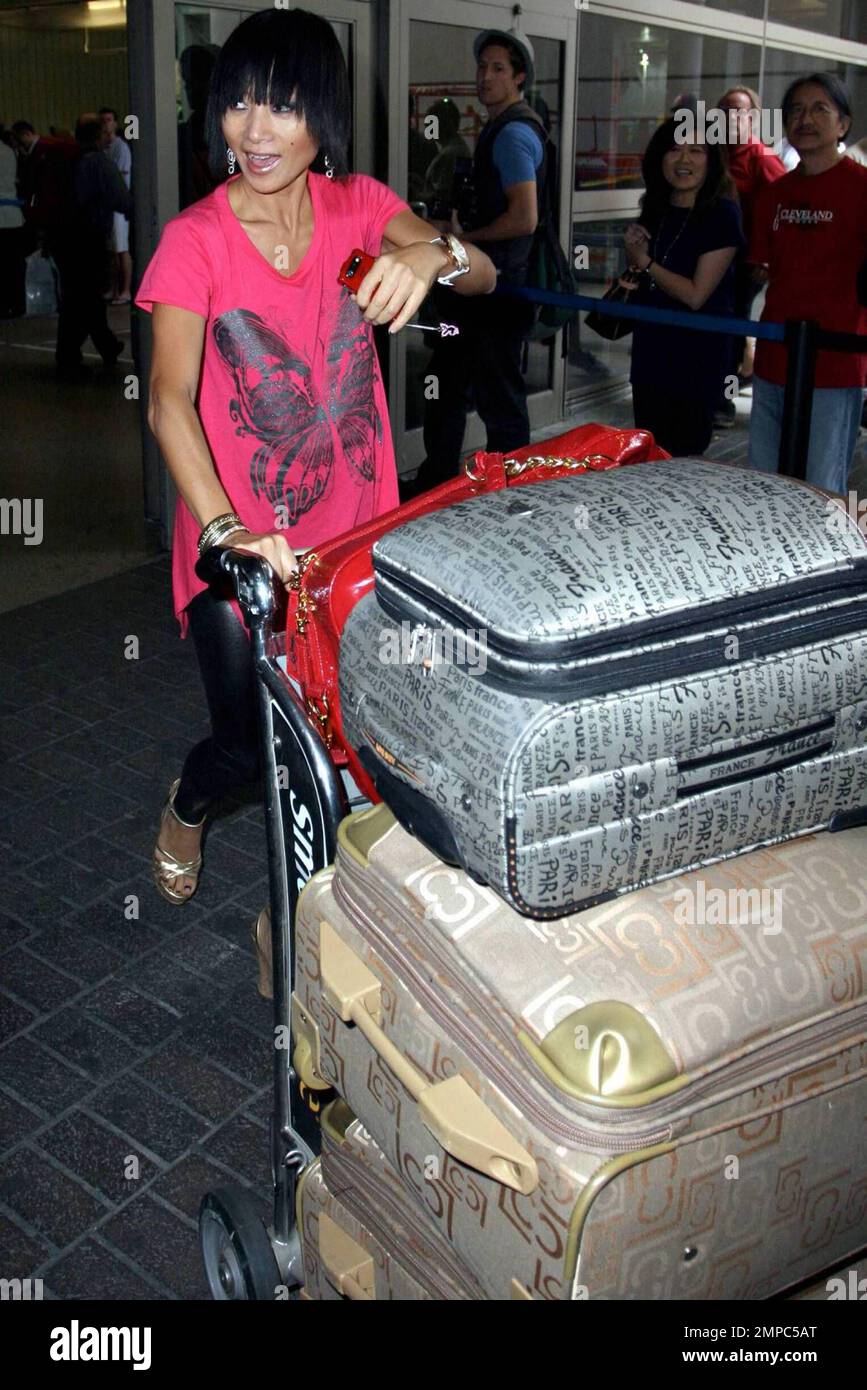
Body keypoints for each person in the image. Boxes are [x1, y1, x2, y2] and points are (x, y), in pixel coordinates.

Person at [135, 7, 494, 906]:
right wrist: (226, 530)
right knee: (250, 745)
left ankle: (300, 934)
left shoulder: (357, 212)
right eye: (238, 105)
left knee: (341, 740)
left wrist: (429, 257)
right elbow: (167, 399)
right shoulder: (197, 241)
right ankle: (189, 801)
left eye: (283, 108)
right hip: (240, 543)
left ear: (320, 115)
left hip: (351, 542)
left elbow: (477, 275)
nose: (254, 132)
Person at [410, 27, 544, 496]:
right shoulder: (502, 129)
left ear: (519, 77)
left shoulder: (511, 135)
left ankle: (510, 492)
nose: (484, 77)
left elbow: (524, 218)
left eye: (498, 68)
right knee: (457, 386)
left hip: (496, 291)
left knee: (494, 398)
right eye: (482, 67)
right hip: (487, 290)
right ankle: (446, 482)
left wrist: (463, 239)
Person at [747, 74, 867, 495]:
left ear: (843, 125)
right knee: (762, 480)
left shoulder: (862, 189)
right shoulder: (773, 194)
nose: (806, 118)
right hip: (774, 357)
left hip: (835, 365)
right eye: (796, 109)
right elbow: (763, 268)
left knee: (820, 486)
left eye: (821, 109)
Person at [623, 118, 744, 456]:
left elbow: (695, 294)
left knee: (684, 456)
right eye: (674, 149)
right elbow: (644, 276)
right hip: (650, 349)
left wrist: (644, 261)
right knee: (647, 450)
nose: (684, 160)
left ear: (712, 159)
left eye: (696, 151)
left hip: (696, 356)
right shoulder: (656, 207)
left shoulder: (722, 214)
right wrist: (634, 256)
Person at [716, 86, 786, 409]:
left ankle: (725, 401)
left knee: (732, 328)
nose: (732, 118)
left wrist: (767, 258)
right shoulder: (714, 154)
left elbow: (783, 209)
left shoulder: (762, 158)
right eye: (726, 111)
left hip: (745, 262)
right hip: (714, 257)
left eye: (740, 112)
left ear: (754, 118)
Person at [53, 114, 131, 379]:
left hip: (64, 238)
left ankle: (106, 345)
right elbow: (120, 197)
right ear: (98, 137)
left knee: (79, 298)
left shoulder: (64, 160)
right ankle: (70, 358)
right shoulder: (99, 162)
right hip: (89, 238)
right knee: (85, 299)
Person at [100, 107, 132, 303]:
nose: (106, 123)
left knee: (121, 248)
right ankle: (113, 288)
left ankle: (125, 289)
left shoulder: (121, 148)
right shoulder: (104, 148)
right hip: (107, 205)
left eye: (109, 120)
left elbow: (122, 177)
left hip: (118, 204)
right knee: (112, 251)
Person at [0, 132, 26, 317]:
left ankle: (3, 305)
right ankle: (17, 304)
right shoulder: (9, 151)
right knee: (14, 264)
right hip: (14, 215)